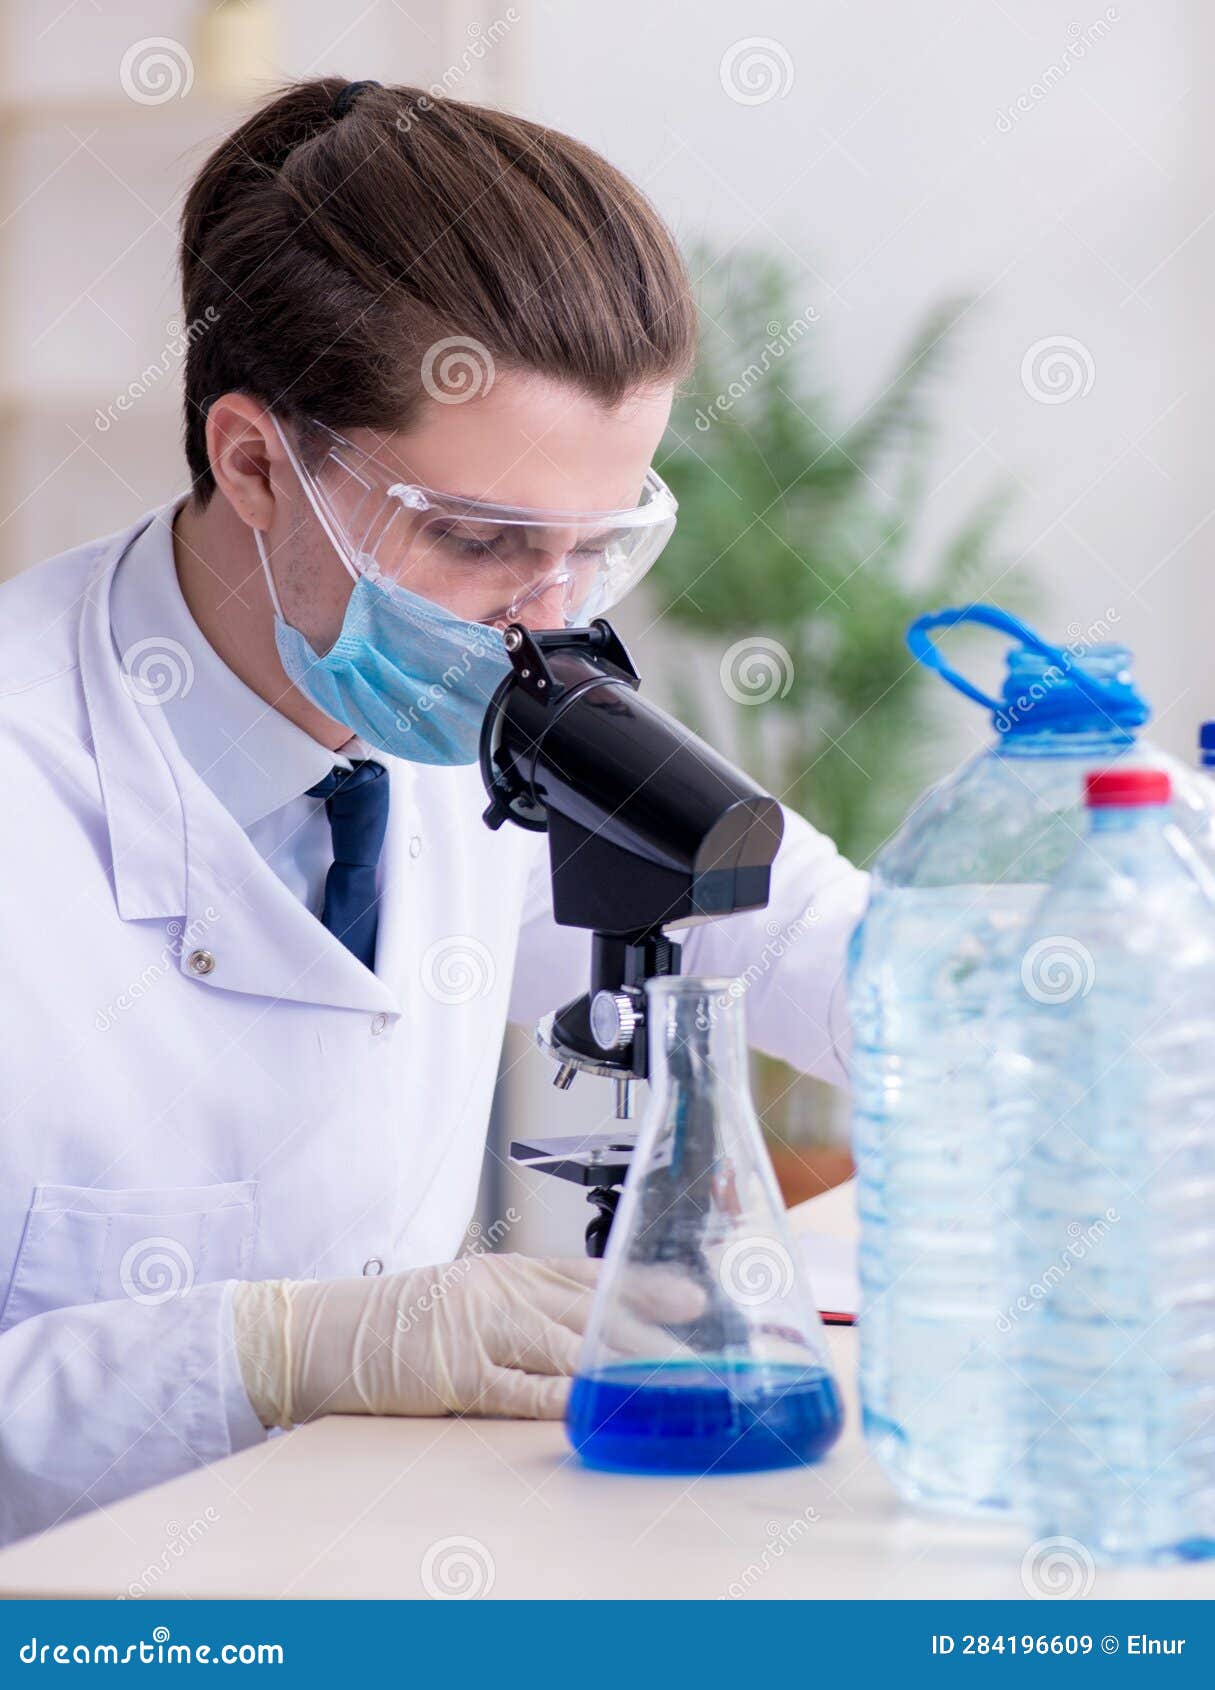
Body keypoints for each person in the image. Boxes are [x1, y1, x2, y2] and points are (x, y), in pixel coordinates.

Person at [0, 77, 867, 1545]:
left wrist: (1052, 1002)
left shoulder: (462, 724)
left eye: (603, 545)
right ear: (257, 462)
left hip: (375, 1571)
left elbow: (797, 938)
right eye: (482, 539)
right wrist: (265, 1356)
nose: (550, 616)